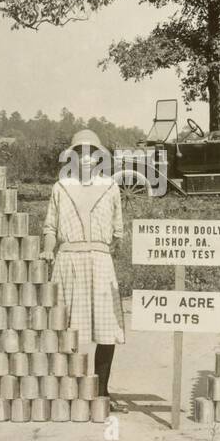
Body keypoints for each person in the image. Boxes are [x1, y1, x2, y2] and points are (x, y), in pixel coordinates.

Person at [41, 129, 125, 399]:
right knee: (67, 327)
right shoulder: (60, 188)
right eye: (80, 152)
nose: (86, 158)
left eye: (91, 153)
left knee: (106, 329)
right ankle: (70, 389)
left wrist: (102, 251)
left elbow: (118, 232)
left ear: (99, 157)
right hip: (68, 262)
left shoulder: (111, 187)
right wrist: (47, 250)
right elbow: (50, 227)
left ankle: (102, 391)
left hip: (100, 262)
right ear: (72, 157)